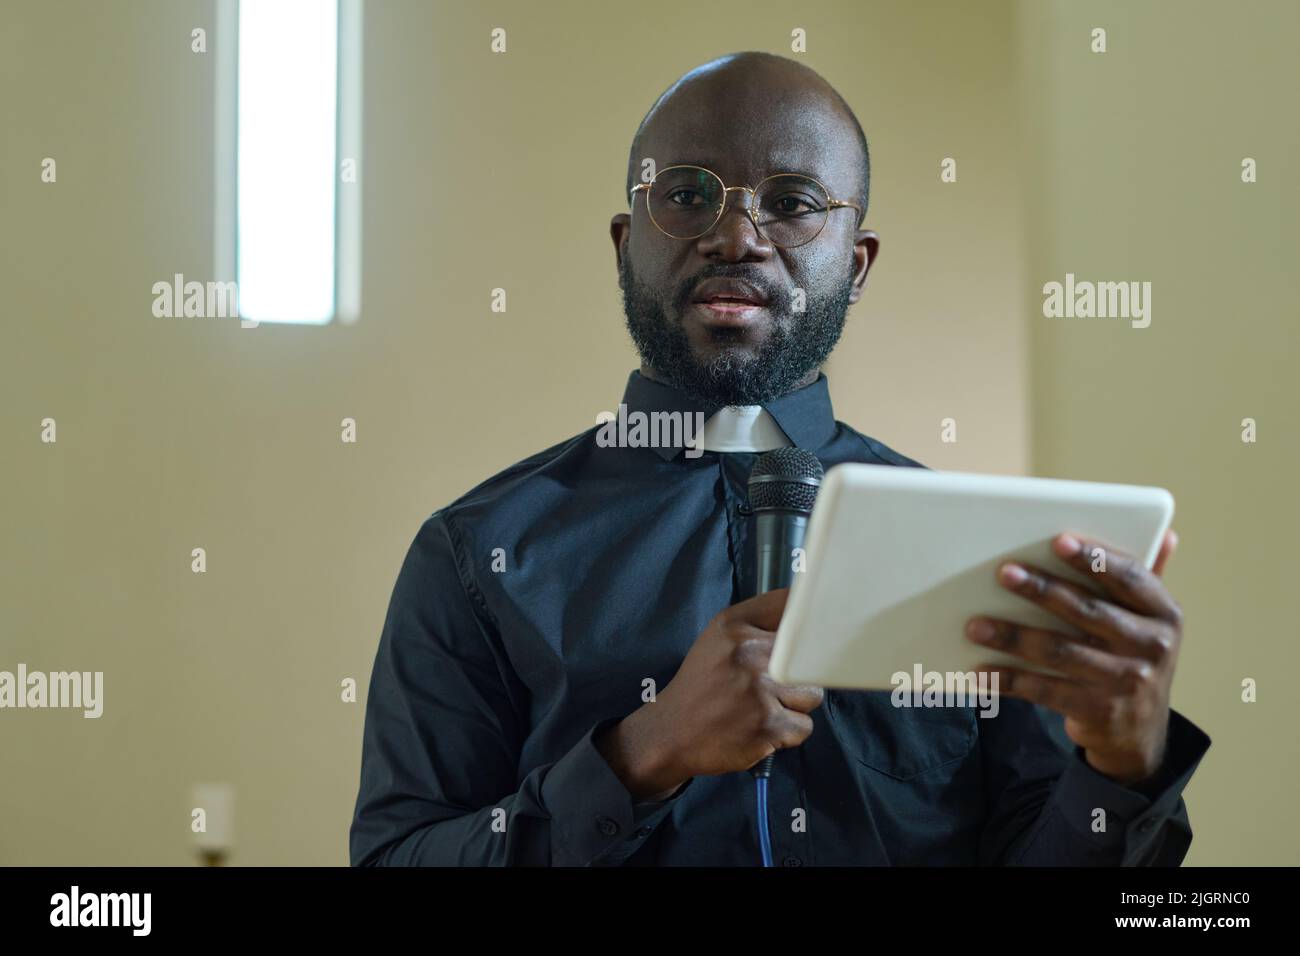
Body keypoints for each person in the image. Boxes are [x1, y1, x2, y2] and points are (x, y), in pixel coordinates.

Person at [349, 51, 1210, 866]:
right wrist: (644, 752)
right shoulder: (478, 551)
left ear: (858, 264)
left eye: (795, 201)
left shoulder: (978, 556)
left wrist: (1124, 769)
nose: (738, 236)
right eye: (686, 194)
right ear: (624, 246)